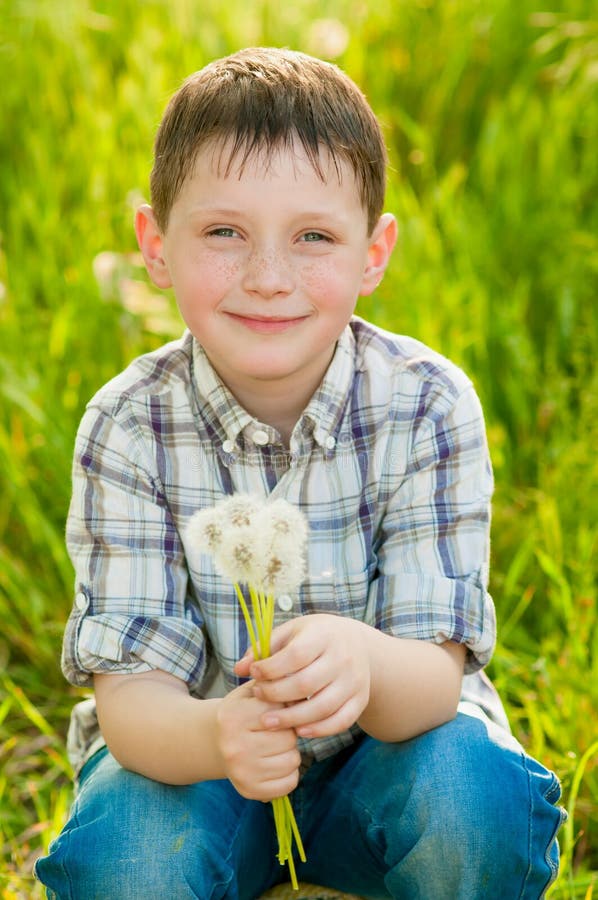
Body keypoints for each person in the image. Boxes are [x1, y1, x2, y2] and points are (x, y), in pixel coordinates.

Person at [35, 47, 564, 899]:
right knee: (125, 855)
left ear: (374, 252)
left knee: (476, 801)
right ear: (155, 245)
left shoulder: (427, 405)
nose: (268, 277)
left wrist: (365, 662)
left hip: (391, 766)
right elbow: (132, 702)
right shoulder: (128, 426)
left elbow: (434, 678)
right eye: (223, 232)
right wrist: (219, 736)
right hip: (200, 775)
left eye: (313, 236)